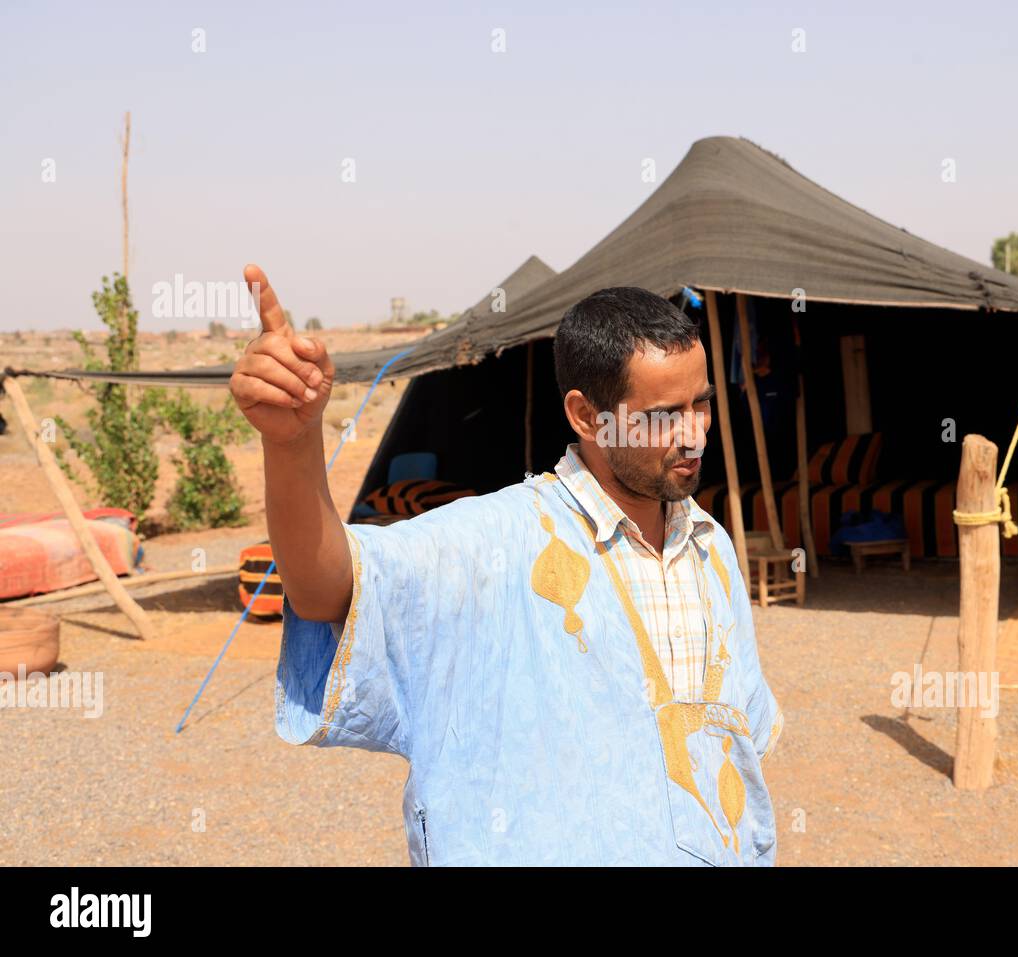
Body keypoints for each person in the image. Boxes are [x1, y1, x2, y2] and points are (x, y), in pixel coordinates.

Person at [231, 265, 784, 866]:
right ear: (585, 416)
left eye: (701, 404)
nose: (695, 434)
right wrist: (292, 446)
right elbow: (328, 589)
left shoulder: (710, 546)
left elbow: (737, 742)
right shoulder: (495, 540)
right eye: (661, 415)